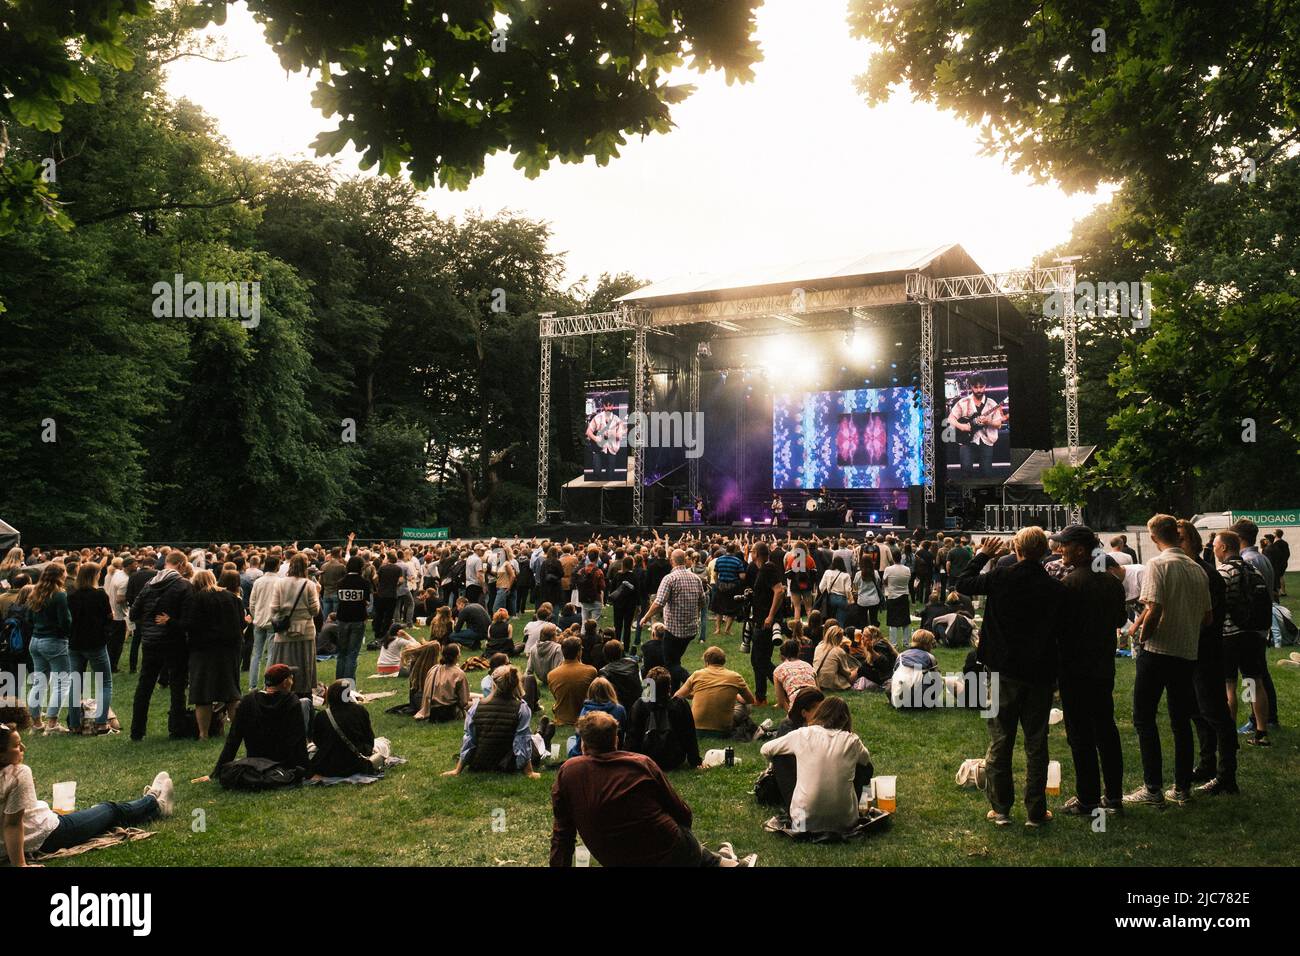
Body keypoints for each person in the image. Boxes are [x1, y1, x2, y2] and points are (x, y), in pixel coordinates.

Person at [954, 527, 1065, 827]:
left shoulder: (1002, 578)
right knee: (1036, 742)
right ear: (1044, 551)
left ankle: (1001, 808)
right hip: (1040, 673)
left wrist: (982, 555)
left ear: (1016, 549)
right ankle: (1036, 811)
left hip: (1002, 672)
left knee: (1000, 739)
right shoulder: (1055, 587)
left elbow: (962, 582)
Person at [550, 710, 755, 867]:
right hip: (671, 852)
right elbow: (682, 813)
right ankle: (726, 862)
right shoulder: (640, 763)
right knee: (683, 845)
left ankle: (724, 861)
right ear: (616, 740)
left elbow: (563, 833)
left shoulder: (568, 772)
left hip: (618, 858)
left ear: (584, 745)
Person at [2, 715, 174, 866]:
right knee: (109, 809)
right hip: (45, 835)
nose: (23, 748)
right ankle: (155, 803)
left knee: (98, 816)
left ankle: (150, 804)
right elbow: (12, 824)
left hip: (22, 835)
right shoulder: (19, 773)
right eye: (17, 746)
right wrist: (21, 865)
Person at [1125, 514, 1212, 808]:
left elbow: (1154, 608)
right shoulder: (1198, 569)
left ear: (1153, 537)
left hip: (1158, 652)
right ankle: (1183, 788)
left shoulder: (1158, 564)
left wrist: (1142, 637)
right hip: (1186, 652)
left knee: (1144, 718)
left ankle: (1152, 787)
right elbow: (1207, 617)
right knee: (1181, 721)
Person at [1051, 525, 1127, 815]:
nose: (1060, 550)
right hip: (1102, 667)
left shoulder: (1070, 584)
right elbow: (1120, 620)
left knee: (1081, 736)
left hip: (1074, 669)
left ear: (1080, 550)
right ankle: (1114, 796)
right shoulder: (1111, 583)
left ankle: (1088, 799)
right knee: (1106, 731)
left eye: (1064, 546)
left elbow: (1058, 627)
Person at [1178, 520, 1238, 796]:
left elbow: (1208, 620)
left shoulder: (1205, 573)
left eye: (1178, 539)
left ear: (1189, 541)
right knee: (1196, 711)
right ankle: (1207, 764)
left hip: (1207, 652)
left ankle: (1227, 776)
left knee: (1216, 714)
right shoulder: (1192, 570)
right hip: (1190, 652)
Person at [760, 696, 873, 834]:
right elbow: (866, 761)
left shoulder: (802, 734)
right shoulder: (852, 741)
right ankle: (853, 806)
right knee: (863, 766)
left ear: (821, 713)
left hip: (802, 823)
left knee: (779, 755)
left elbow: (765, 749)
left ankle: (792, 803)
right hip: (846, 822)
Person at [1214, 530, 1272, 748]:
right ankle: (1260, 731)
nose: (1215, 549)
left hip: (1230, 636)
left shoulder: (1226, 570)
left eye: (1217, 545)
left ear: (1225, 548)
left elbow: (1217, 604)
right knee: (1252, 680)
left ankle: (1229, 736)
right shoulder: (1252, 568)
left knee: (1229, 685)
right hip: (1252, 635)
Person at [130, 551, 193, 741]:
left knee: (145, 685)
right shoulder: (184, 586)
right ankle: (177, 729)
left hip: (150, 640)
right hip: (174, 641)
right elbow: (188, 621)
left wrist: (148, 619)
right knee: (177, 686)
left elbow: (133, 613)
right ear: (182, 565)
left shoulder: (149, 585)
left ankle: (137, 730)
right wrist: (170, 621)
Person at [444, 665, 544, 778]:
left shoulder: (476, 707)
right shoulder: (521, 708)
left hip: (480, 762)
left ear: (493, 684)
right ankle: (542, 734)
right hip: (508, 763)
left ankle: (542, 733)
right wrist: (529, 771)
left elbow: (469, 739)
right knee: (534, 744)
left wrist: (458, 770)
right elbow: (522, 740)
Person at [214, 664, 310, 776]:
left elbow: (233, 739)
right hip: (283, 764)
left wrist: (217, 771)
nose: (292, 682)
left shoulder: (248, 701)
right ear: (285, 683)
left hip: (255, 763)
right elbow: (298, 741)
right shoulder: (291, 702)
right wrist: (307, 771)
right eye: (291, 678)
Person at [183, 570, 244, 741]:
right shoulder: (233, 598)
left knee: (203, 695)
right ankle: (239, 732)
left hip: (203, 652)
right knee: (231, 693)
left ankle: (203, 734)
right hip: (229, 651)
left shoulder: (196, 599)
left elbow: (191, 624)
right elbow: (241, 623)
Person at [640, 549, 707, 684]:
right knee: (675, 659)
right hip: (691, 630)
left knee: (670, 663)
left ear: (672, 561)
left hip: (674, 631)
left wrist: (646, 617)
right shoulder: (695, 578)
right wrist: (695, 614)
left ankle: (693, 683)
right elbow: (703, 602)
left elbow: (658, 603)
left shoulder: (670, 578)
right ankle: (675, 692)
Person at [25, 564, 74, 734]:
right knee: (62, 683)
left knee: (39, 682)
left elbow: (28, 618)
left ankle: (36, 722)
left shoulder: (34, 592)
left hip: (36, 640)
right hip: (54, 641)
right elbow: (65, 621)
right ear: (59, 575)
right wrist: (66, 635)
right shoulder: (59, 595)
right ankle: (52, 723)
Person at [66, 561, 114, 735]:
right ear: (95, 575)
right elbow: (109, 616)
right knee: (105, 683)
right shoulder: (100, 595)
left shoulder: (71, 596)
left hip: (75, 642)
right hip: (95, 642)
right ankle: (101, 723)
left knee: (75, 683)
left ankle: (74, 723)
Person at [627, 666, 701, 771]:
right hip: (674, 758)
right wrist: (695, 761)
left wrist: (630, 762)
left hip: (645, 759)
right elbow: (689, 735)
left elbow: (633, 736)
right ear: (669, 687)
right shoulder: (680, 705)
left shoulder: (640, 705)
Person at [268, 554, 321, 696]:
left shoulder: (279, 583)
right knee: (304, 667)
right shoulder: (309, 584)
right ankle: (303, 694)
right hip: (305, 631)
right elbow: (315, 611)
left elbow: (273, 608)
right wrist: (317, 592)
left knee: (282, 666)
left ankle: (281, 691)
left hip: (284, 631)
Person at [675, 646, 756, 737]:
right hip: (723, 730)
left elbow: (677, 696)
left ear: (706, 661)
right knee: (747, 706)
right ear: (723, 661)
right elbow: (750, 700)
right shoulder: (735, 677)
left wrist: (697, 693)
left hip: (695, 728)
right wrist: (735, 695)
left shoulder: (697, 674)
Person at [743, 541, 786, 707]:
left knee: (762, 660)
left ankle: (785, 690)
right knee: (757, 660)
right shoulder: (762, 570)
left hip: (766, 622)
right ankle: (760, 698)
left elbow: (779, 590)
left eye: (752, 551)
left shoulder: (768, 568)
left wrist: (770, 615)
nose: (750, 553)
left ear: (756, 553)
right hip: (760, 619)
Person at [309, 679, 380, 778]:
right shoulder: (360, 710)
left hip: (329, 763)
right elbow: (369, 737)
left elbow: (318, 741)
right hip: (356, 762)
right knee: (383, 744)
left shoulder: (322, 716)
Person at [246, 556, 283, 692]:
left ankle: (252, 686)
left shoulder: (258, 582)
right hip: (272, 621)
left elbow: (252, 603)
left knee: (256, 654)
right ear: (277, 566)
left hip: (259, 620)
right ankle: (268, 684)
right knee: (271, 655)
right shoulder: (280, 582)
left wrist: (256, 617)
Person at [566, 677, 628, 756]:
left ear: (590, 692)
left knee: (571, 740)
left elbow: (579, 738)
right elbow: (622, 734)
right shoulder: (620, 709)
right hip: (612, 751)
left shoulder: (585, 710)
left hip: (586, 753)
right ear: (610, 691)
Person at [333, 555, 371, 683]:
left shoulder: (340, 582)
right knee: (352, 653)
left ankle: (338, 684)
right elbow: (366, 602)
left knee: (341, 653)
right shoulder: (364, 583)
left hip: (342, 618)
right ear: (361, 568)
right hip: (358, 619)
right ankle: (348, 685)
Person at [545, 635, 597, 726]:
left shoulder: (551, 675)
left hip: (562, 717)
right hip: (584, 716)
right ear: (578, 653)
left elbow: (558, 698)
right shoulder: (591, 671)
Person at [415, 643, 470, 722]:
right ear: (457, 656)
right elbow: (464, 702)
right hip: (447, 712)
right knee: (475, 703)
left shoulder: (433, 669)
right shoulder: (458, 673)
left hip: (430, 710)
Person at [773, 638, 817, 714]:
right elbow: (818, 689)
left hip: (797, 701)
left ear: (782, 654)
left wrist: (791, 714)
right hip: (815, 702)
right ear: (798, 652)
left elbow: (781, 702)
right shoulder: (808, 666)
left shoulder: (778, 670)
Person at [599, 639, 642, 715]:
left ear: (605, 655)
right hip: (635, 704)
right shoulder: (632, 663)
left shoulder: (604, 671)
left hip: (618, 708)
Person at [812, 624, 857, 692]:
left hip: (817, 682)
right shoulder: (839, 651)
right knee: (857, 670)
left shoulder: (818, 647)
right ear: (839, 638)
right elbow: (846, 673)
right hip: (831, 684)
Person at [881, 553, 912, 648]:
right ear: (901, 558)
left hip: (892, 596)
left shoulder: (888, 569)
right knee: (905, 620)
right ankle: (906, 642)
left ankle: (894, 643)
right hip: (904, 595)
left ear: (893, 559)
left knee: (892, 621)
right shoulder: (907, 569)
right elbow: (908, 580)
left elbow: (884, 581)